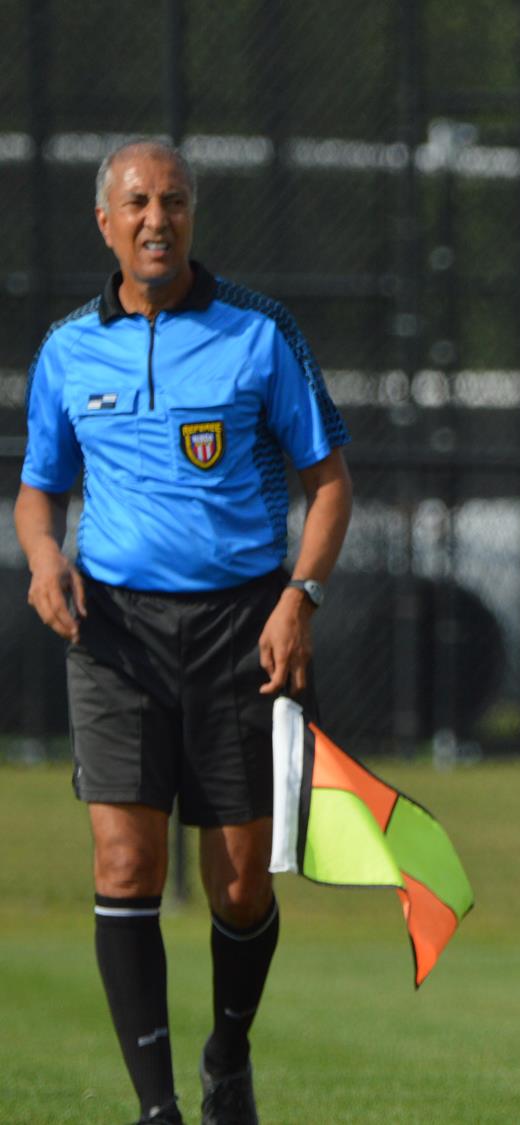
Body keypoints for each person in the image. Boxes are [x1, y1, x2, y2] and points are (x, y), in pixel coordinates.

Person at [14, 139, 353, 1125]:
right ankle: (158, 1108)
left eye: (174, 201)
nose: (157, 219)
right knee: (125, 865)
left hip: (245, 631)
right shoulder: (69, 350)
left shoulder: (259, 332)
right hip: (115, 632)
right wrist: (44, 557)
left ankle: (228, 1054)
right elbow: (39, 496)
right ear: (105, 223)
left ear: (192, 215)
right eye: (137, 203)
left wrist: (302, 598)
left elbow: (328, 485)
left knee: (240, 885)